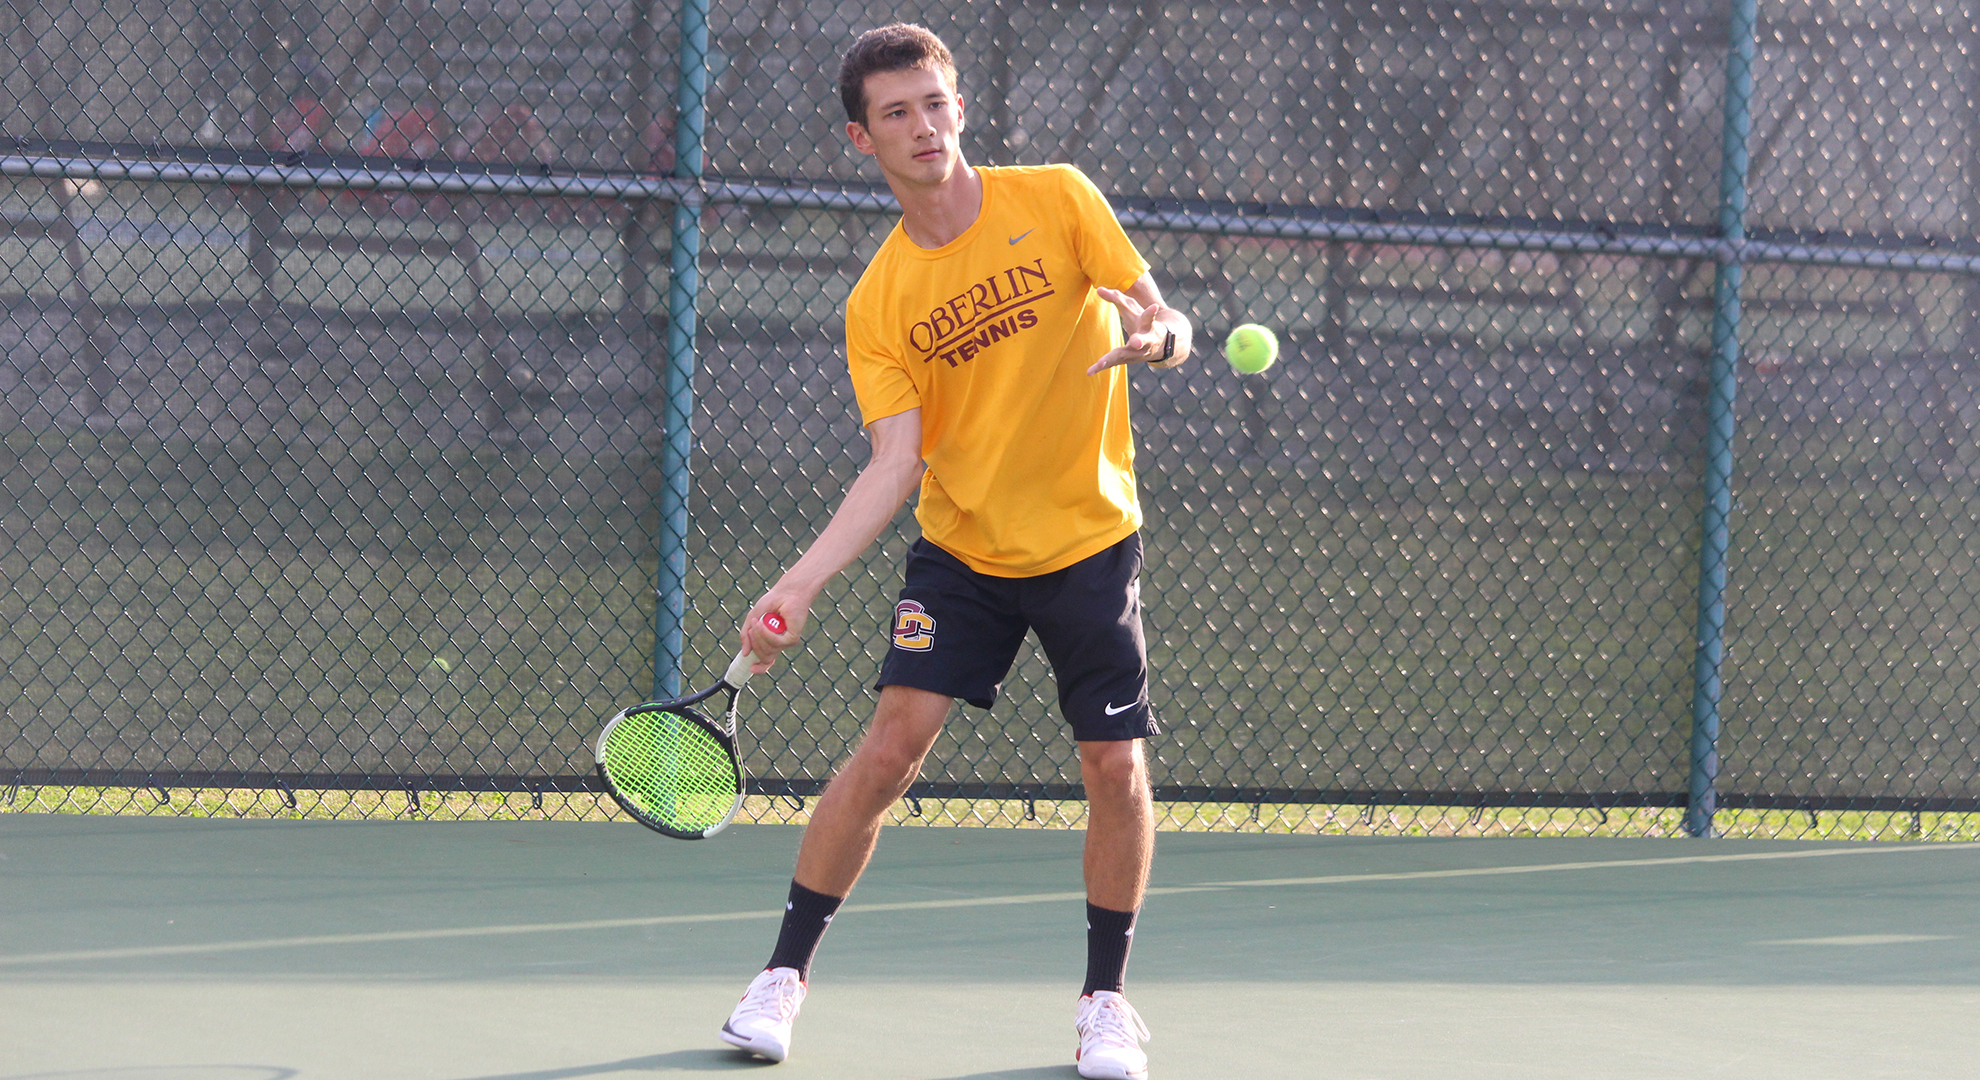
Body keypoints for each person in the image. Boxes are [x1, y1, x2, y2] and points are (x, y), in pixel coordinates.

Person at [718, 23, 1191, 1080]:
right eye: (897, 113)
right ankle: (780, 979)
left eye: (935, 104)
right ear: (863, 138)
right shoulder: (879, 301)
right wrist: (799, 582)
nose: (924, 127)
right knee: (891, 749)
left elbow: (1159, 312)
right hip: (964, 553)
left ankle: (1106, 1004)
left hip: (1088, 541)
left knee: (1114, 764)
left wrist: (1164, 337)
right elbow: (895, 462)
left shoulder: (1058, 199)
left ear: (961, 108)